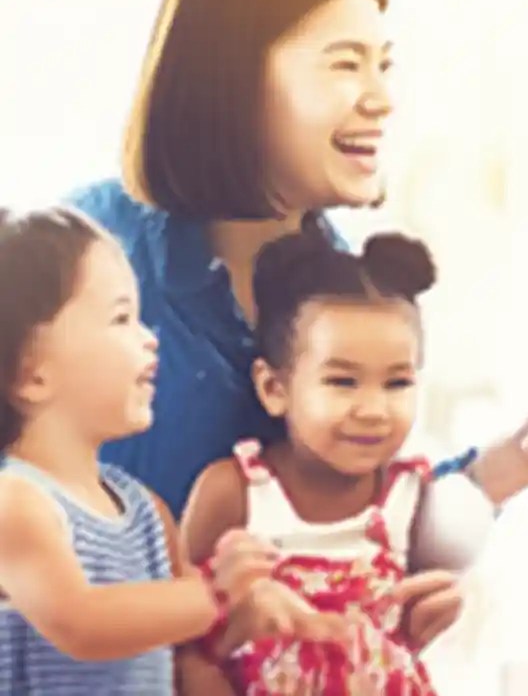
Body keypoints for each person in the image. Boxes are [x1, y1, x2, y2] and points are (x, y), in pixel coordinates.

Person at [63, 0, 528, 626]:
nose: (382, 99)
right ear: (233, 76)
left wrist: (502, 468)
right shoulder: (82, 255)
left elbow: (349, 481)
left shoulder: (345, 284)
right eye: (346, 64)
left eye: (385, 65)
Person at [0, 206, 343, 695]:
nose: (149, 339)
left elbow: (190, 636)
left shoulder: (147, 513)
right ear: (32, 372)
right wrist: (217, 592)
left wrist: (253, 607)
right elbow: (83, 624)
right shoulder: (18, 504)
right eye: (121, 318)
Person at [180, 229, 456, 693]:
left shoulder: (409, 492)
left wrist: (433, 611)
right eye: (343, 382)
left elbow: (412, 620)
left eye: (397, 384)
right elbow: (179, 636)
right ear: (274, 389)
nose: (373, 409)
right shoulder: (235, 491)